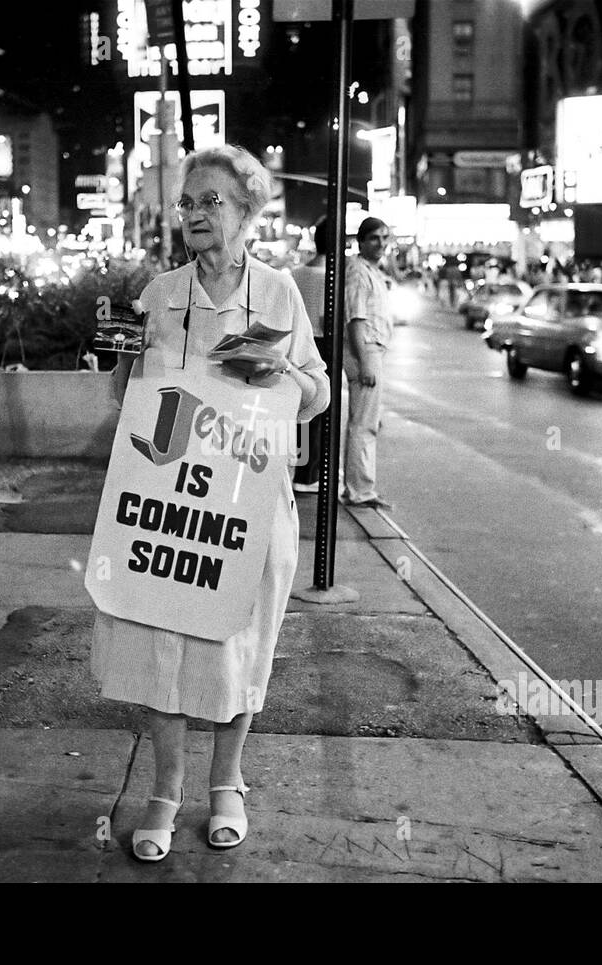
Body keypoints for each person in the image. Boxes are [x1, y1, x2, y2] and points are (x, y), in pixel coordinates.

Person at [93, 144, 330, 862]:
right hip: (171, 501)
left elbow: (318, 395)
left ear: (248, 210)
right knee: (161, 640)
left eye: (211, 202)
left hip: (252, 503)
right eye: (188, 202)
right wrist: (122, 357)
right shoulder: (158, 293)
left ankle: (227, 783)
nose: (195, 214)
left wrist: (282, 369)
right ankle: (165, 791)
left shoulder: (282, 292)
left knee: (240, 642)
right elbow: (125, 395)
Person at [341, 216, 394, 510]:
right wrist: (366, 362)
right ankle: (360, 490)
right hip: (367, 351)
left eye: (385, 238)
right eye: (374, 238)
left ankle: (358, 487)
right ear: (361, 242)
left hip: (372, 350)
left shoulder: (372, 271)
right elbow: (356, 320)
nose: (381, 244)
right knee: (364, 425)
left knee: (367, 422)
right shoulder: (359, 273)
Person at [290, 219, 330, 493]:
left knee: (300, 409)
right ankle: (310, 475)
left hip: (296, 342)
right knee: (318, 407)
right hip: (320, 341)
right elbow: (325, 318)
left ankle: (301, 469)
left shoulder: (295, 274)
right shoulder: (330, 275)